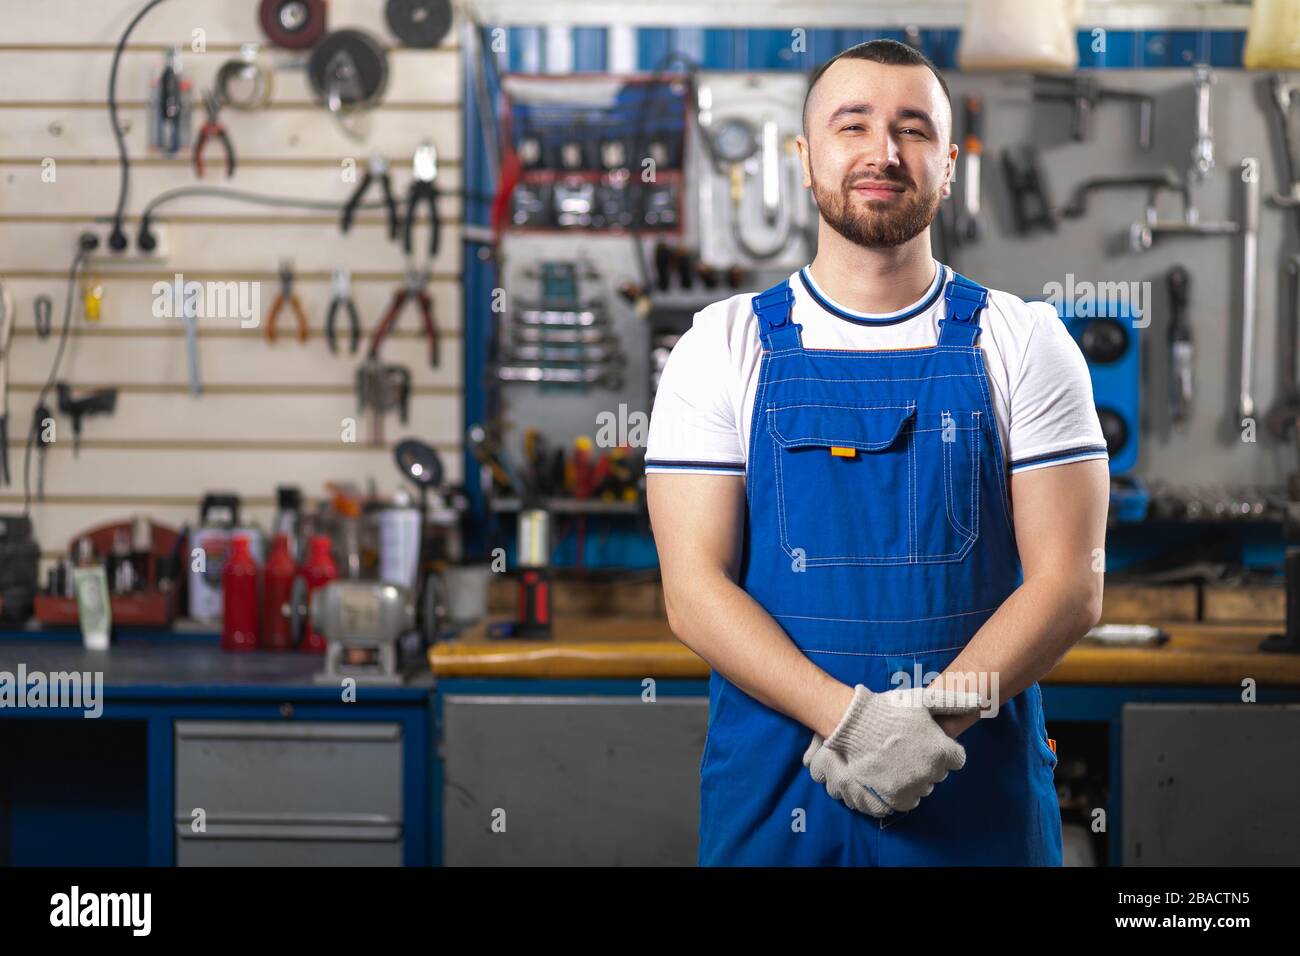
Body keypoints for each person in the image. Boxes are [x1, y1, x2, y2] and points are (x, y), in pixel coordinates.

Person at [645, 39, 1110, 866]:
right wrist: (856, 723)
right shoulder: (719, 346)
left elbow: (1069, 586)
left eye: (913, 130)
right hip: (778, 796)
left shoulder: (1026, 342)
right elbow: (693, 590)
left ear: (951, 162)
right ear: (805, 155)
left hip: (974, 793)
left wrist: (932, 726)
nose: (883, 153)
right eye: (851, 124)